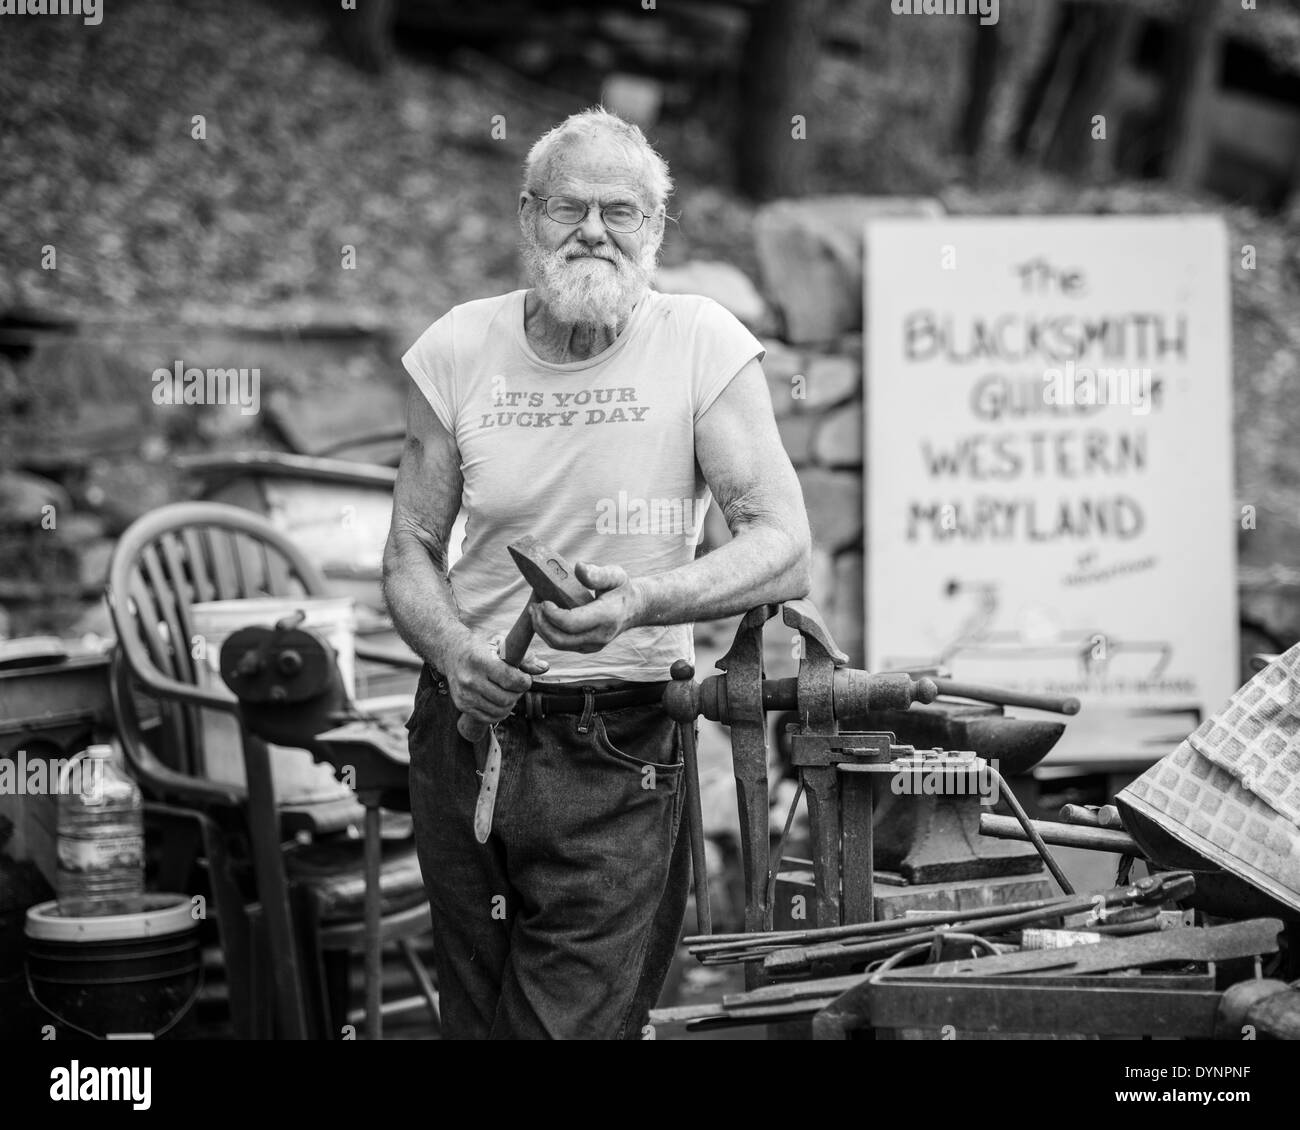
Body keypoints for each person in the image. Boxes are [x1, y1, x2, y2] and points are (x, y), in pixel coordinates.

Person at [383, 107, 811, 1039]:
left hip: (618, 746)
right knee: (476, 1021)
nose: (592, 231)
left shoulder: (701, 343)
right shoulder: (455, 349)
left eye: (621, 212)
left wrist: (646, 599)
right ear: (527, 215)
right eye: (568, 207)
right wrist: (455, 652)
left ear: (656, 231)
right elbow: (412, 544)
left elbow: (782, 540)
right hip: (464, 734)